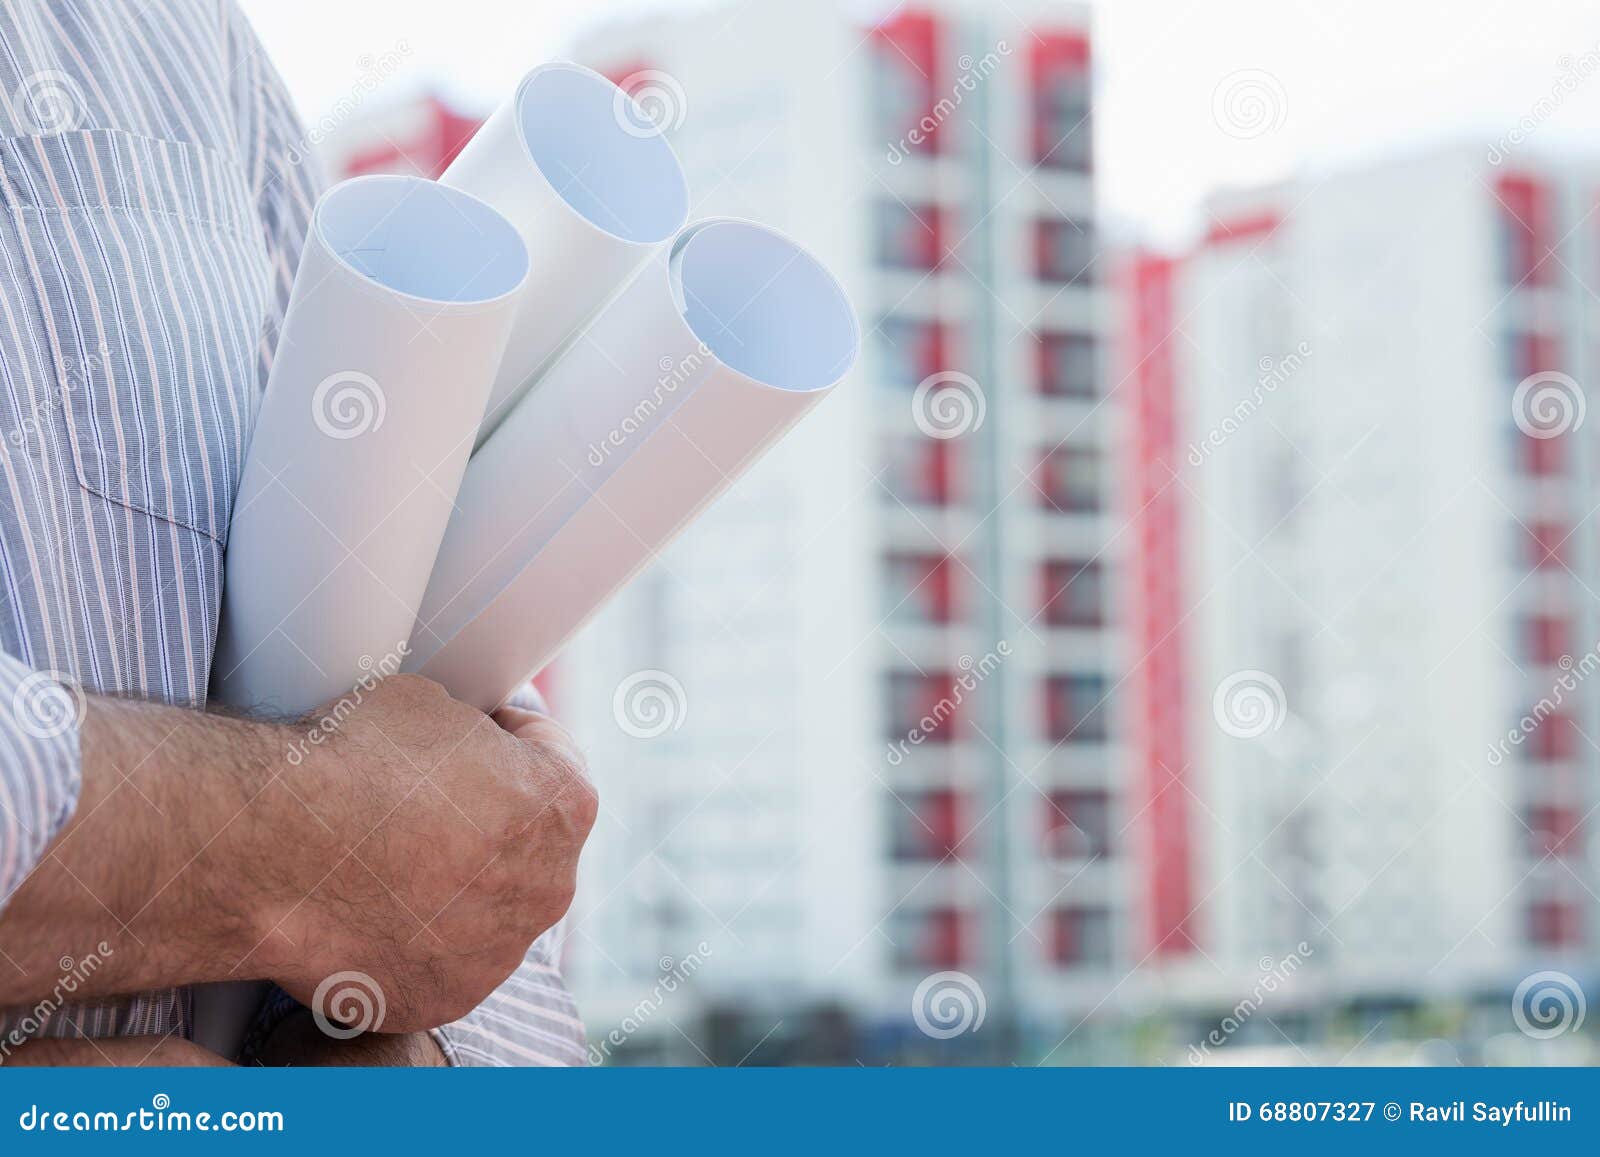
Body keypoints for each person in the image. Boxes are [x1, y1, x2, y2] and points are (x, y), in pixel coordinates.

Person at [0, 0, 597, 1066]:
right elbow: (376, 825)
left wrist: (416, 1060)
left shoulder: (186, 43)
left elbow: (461, 829)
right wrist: (291, 840)